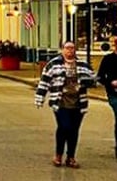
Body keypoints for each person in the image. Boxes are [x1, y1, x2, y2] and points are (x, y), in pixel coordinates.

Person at [35, 40, 96, 168]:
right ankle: (58, 155)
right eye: (67, 48)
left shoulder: (82, 64)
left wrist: (85, 82)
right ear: (62, 49)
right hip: (60, 101)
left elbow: (93, 80)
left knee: (74, 130)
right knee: (64, 127)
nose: (70, 51)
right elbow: (44, 81)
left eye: (72, 48)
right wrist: (40, 98)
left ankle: (71, 157)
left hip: (78, 103)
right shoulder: (53, 64)